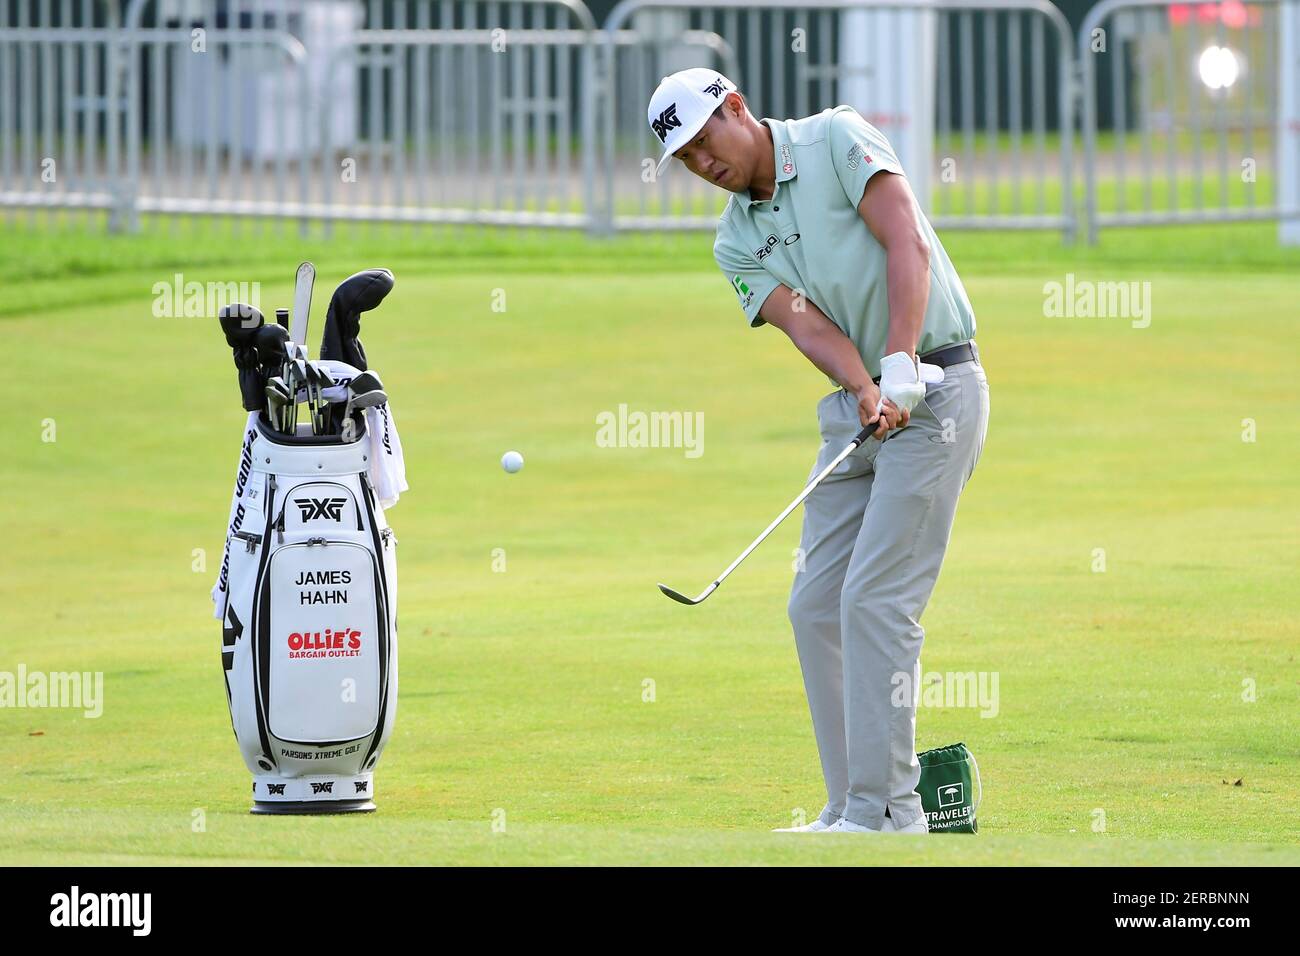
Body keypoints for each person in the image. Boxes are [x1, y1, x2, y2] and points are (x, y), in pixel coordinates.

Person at [646, 69, 990, 834]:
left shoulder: (836, 138)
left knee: (875, 600)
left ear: (738, 107)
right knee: (814, 607)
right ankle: (848, 807)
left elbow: (904, 238)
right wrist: (866, 388)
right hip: (859, 412)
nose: (706, 164)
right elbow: (807, 325)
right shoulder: (735, 239)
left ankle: (889, 810)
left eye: (707, 142)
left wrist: (899, 365)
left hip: (936, 386)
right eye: (687, 160)